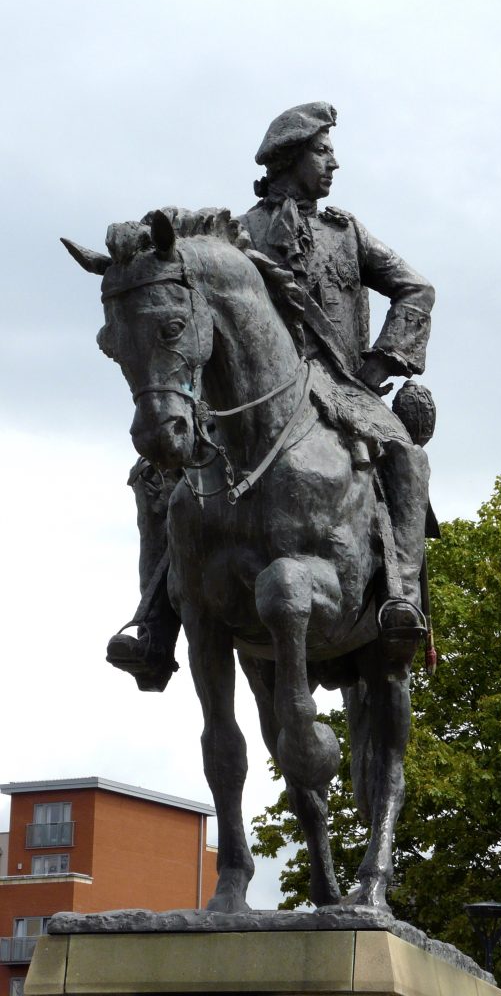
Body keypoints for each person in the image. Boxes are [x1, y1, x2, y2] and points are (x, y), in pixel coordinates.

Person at [107, 102, 435, 689]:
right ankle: (154, 622)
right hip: (247, 397)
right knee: (155, 477)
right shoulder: (239, 234)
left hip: (339, 384)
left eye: (330, 151)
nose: (333, 163)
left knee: (405, 453)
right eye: (322, 151)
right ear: (291, 159)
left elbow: (415, 289)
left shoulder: (347, 232)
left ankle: (402, 596)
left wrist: (379, 363)